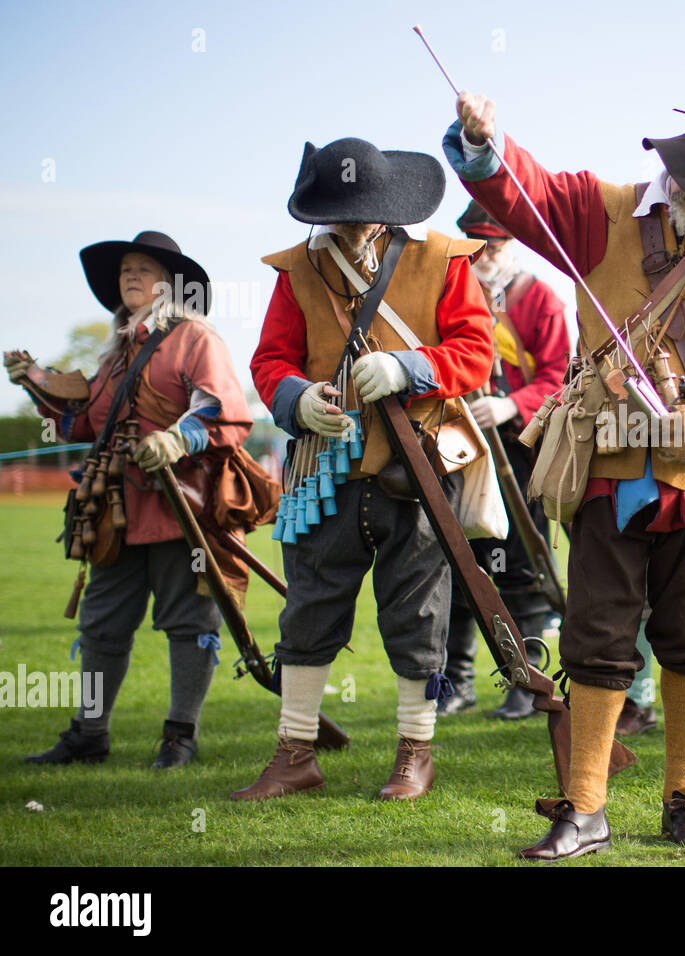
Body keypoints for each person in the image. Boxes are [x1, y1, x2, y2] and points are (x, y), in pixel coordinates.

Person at [445, 94, 685, 858]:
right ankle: (584, 807)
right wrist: (486, 144)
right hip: (606, 468)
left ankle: (682, 797)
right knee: (597, 637)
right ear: (674, 169)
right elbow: (524, 192)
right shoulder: (601, 209)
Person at [235, 138, 494, 801]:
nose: (353, 224)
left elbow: (474, 351)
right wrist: (298, 399)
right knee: (308, 614)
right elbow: (270, 361)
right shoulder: (296, 270)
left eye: (363, 210)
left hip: (417, 470)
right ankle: (295, 754)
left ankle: (416, 753)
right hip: (325, 471)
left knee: (419, 619)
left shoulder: (442, 260)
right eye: (340, 212)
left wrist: (410, 368)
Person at [6, 231, 251, 769]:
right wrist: (37, 384)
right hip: (117, 514)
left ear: (169, 283)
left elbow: (223, 410)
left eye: (143, 268)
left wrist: (176, 438)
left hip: (183, 507)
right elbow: (86, 424)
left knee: (191, 623)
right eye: (124, 271)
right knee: (101, 625)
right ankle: (89, 735)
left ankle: (180, 735)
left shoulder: (195, 338)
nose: (131, 276)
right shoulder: (117, 352)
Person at [439, 200, 572, 719]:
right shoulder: (450, 294)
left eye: (491, 245)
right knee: (455, 559)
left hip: (520, 446)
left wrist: (511, 404)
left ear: (511, 244)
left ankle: (527, 679)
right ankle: (458, 678)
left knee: (521, 564)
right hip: (458, 443)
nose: (481, 255)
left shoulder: (541, 298)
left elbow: (562, 374)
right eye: (474, 245)